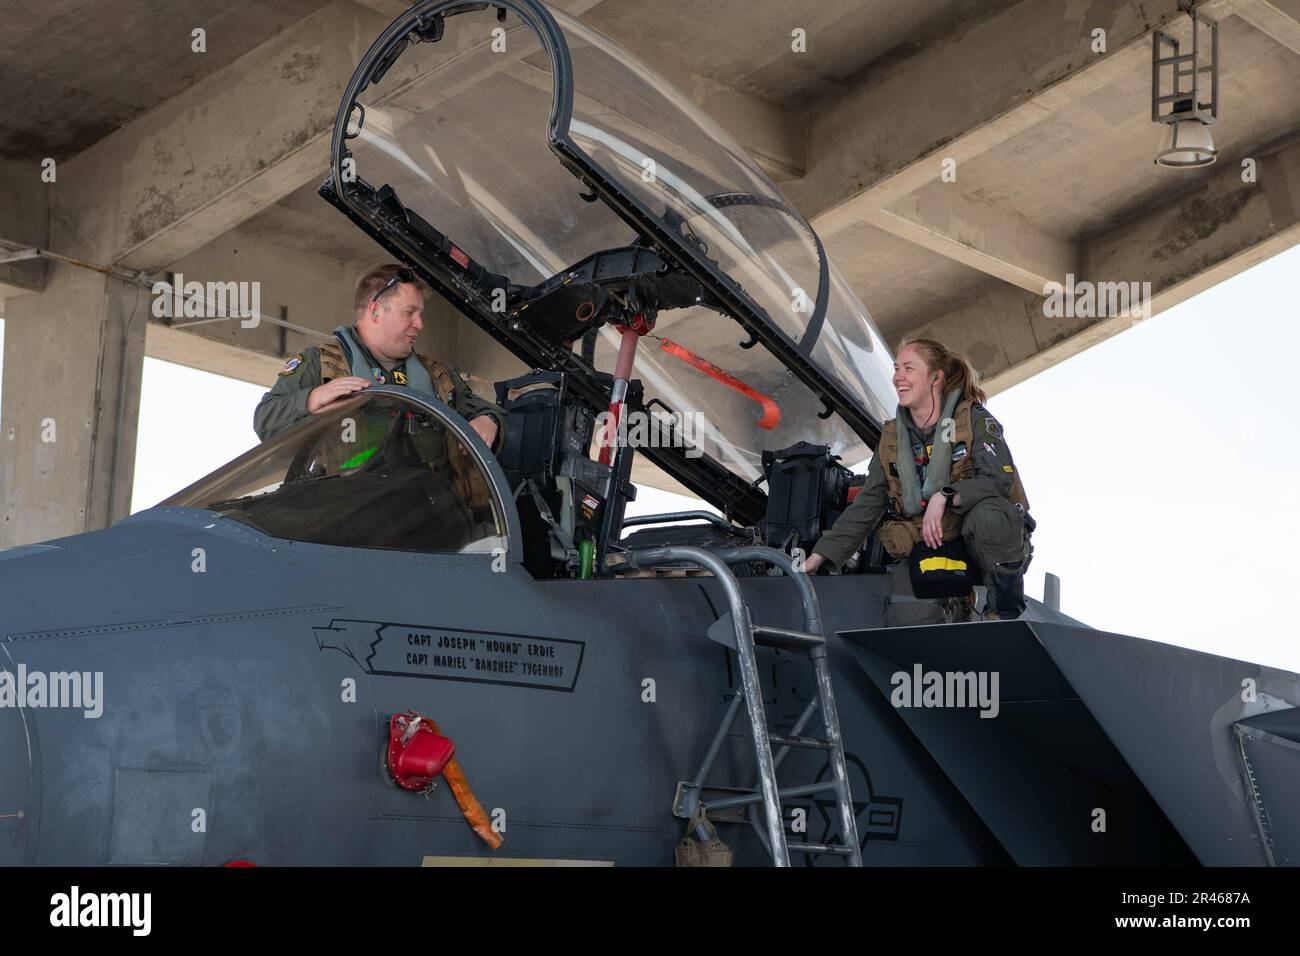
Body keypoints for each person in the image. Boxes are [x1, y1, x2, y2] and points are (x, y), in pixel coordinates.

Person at [802, 338, 1032, 622]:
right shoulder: (891, 437)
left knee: (991, 517)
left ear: (936, 377)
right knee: (906, 622)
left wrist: (944, 495)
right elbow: (868, 503)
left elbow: (998, 481)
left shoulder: (974, 421)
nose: (898, 376)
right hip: (925, 539)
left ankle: (1001, 614)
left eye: (909, 368)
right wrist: (822, 554)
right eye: (897, 368)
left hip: (976, 535)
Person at [253, 264, 507, 449]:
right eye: (409, 312)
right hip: (340, 505)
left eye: (420, 313)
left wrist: (489, 420)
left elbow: (488, 410)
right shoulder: (319, 364)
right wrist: (312, 398)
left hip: (427, 509)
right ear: (375, 311)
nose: (420, 324)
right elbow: (266, 420)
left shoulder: (438, 376)